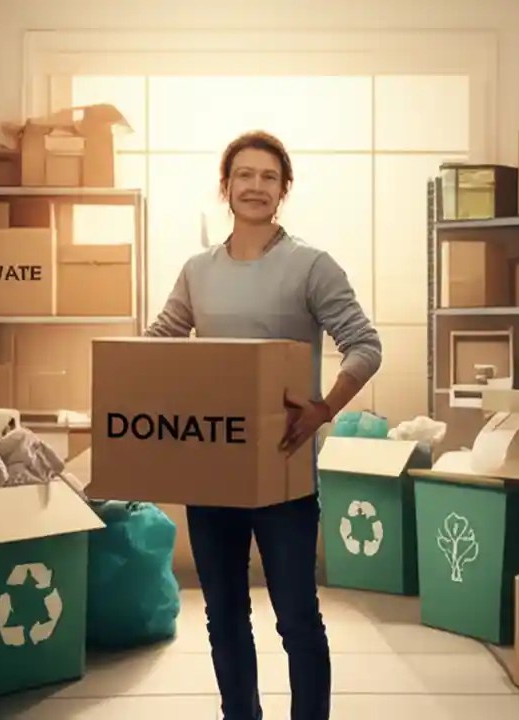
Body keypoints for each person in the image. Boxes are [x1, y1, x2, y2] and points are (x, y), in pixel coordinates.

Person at [144, 130, 382, 720]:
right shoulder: (197, 271)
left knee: (297, 617)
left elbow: (365, 345)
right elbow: (159, 342)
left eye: (268, 177)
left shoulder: (311, 266)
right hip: (213, 471)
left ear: (284, 189)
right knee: (223, 614)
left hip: (284, 469)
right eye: (244, 175)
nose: (256, 186)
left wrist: (325, 407)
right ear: (225, 186)